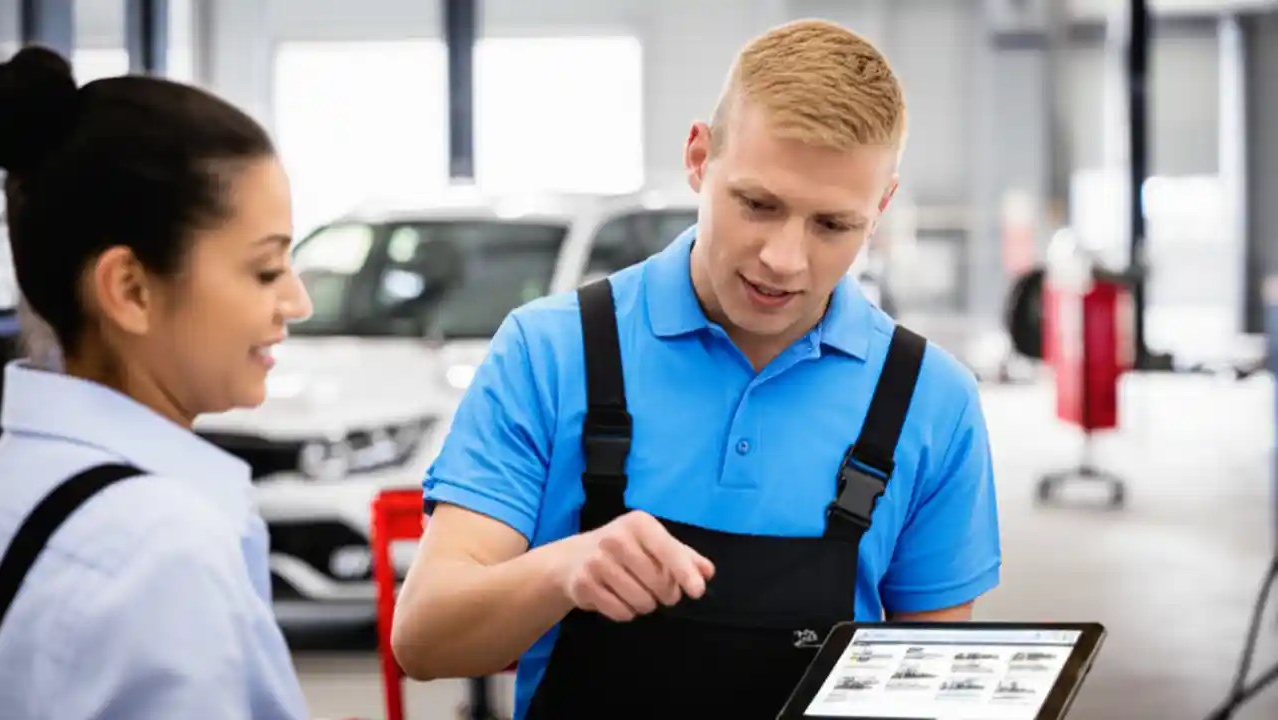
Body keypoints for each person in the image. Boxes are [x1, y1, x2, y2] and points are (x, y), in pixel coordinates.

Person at [391, 19, 1001, 720]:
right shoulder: (550, 353)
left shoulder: (931, 400)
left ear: (881, 207)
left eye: (832, 225)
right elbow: (426, 640)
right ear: (698, 158)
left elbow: (934, 695)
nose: (784, 258)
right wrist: (563, 571)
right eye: (757, 204)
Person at [0, 46, 313, 718]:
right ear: (131, 288)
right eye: (265, 271)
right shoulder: (161, 551)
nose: (297, 302)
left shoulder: (22, 481)